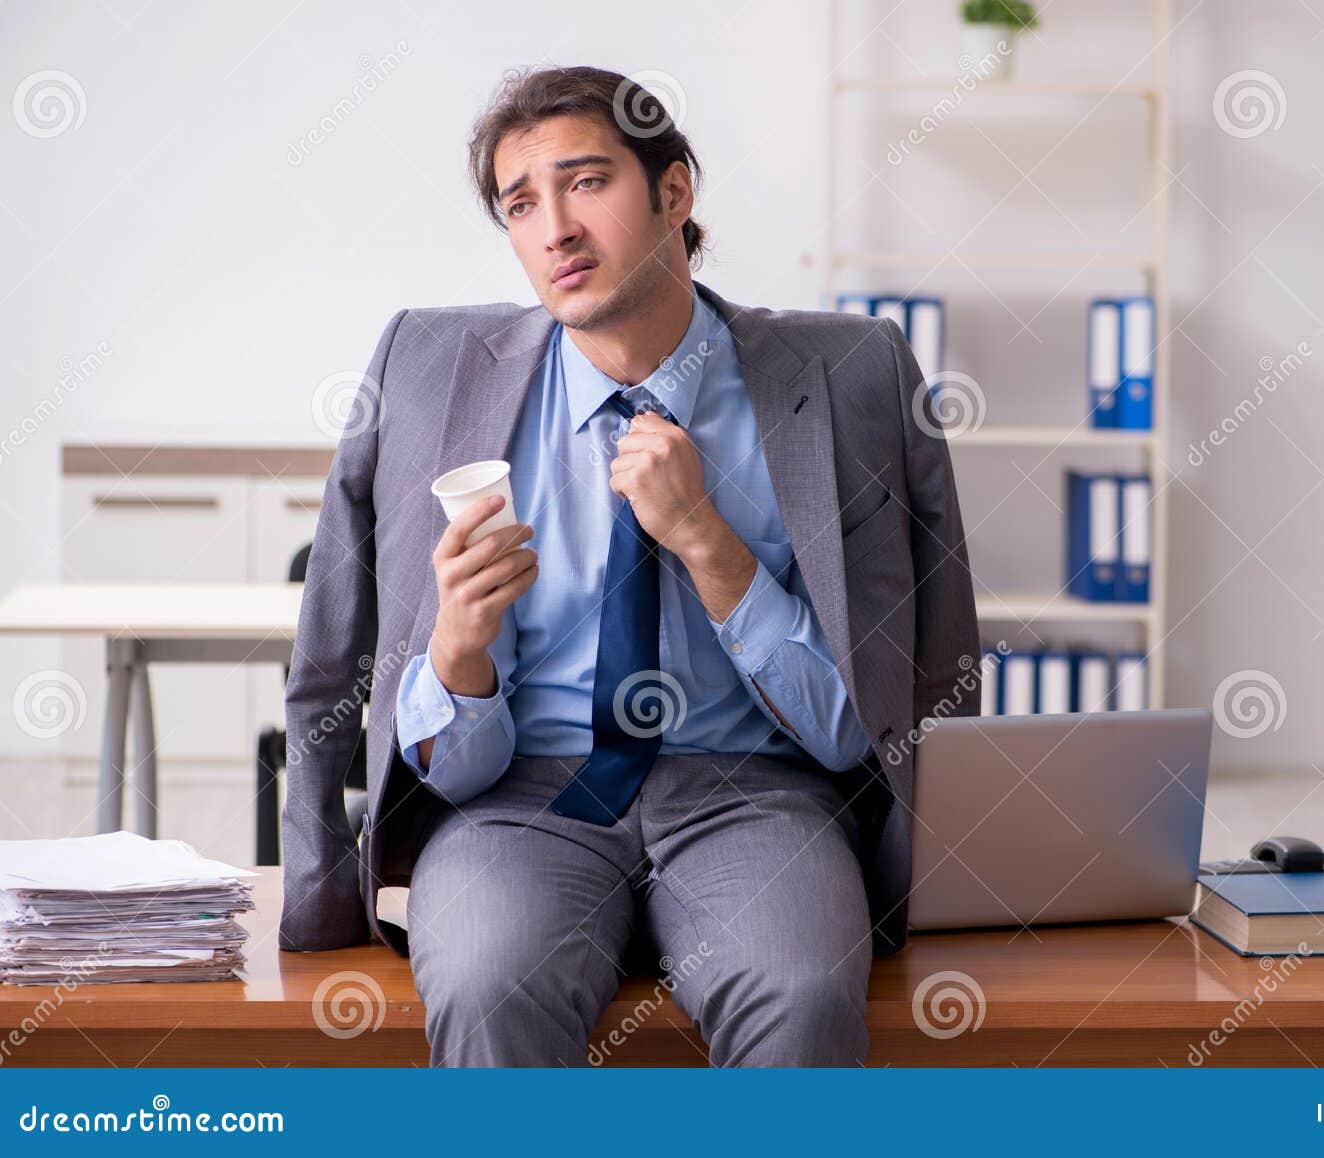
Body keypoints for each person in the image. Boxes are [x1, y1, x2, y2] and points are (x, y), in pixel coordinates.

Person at [279, 65, 979, 1067]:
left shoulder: (852, 373)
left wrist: (710, 544)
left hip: (760, 793)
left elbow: (870, 716)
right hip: (520, 799)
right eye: (521, 204)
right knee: (488, 983)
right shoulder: (424, 367)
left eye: (586, 182)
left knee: (801, 991)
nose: (555, 227)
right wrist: (458, 652)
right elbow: (351, 679)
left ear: (675, 193)